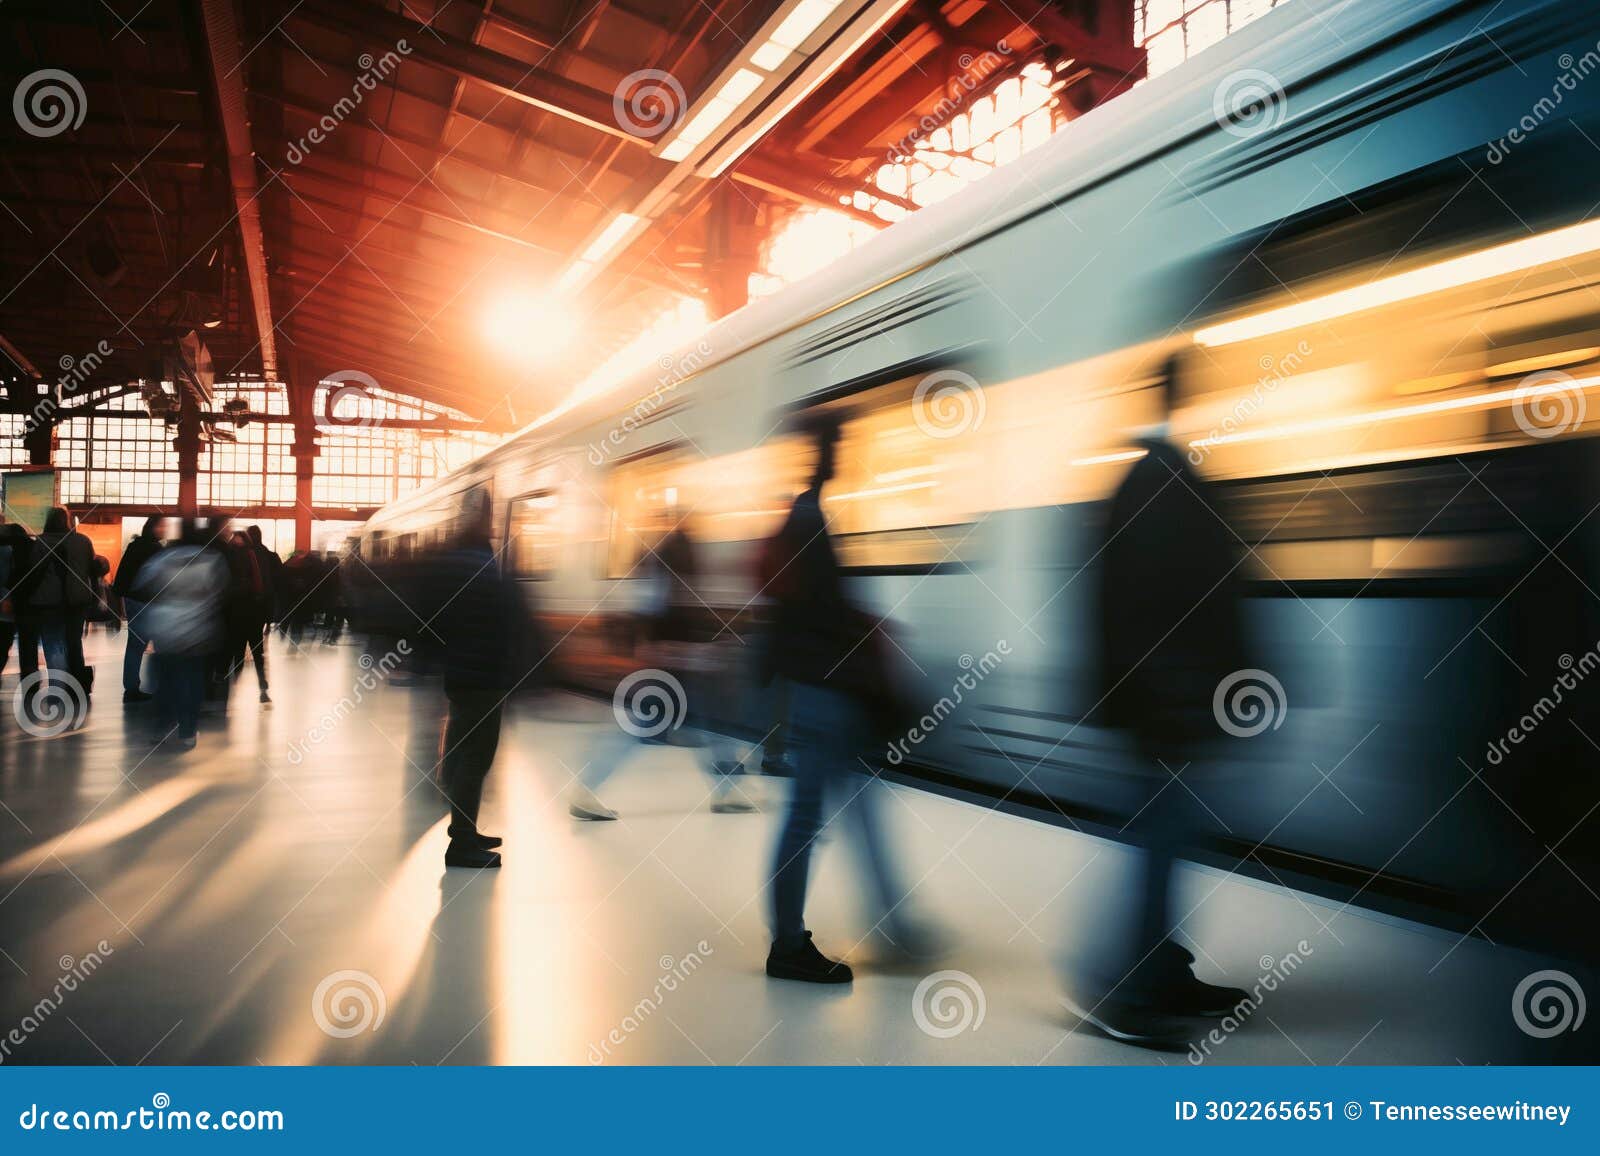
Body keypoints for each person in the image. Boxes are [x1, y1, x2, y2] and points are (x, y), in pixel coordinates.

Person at [1063, 353, 1248, 1046]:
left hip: (1171, 703)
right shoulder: (1157, 480)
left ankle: (1159, 970)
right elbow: (1152, 605)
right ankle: (1121, 994)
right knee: (1154, 842)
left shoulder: (1156, 477)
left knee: (1162, 843)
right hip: (1164, 708)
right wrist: (1171, 695)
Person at [761, 416, 937, 984]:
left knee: (850, 805)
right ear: (821, 451)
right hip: (824, 693)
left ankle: (896, 925)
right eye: (839, 443)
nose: (845, 454)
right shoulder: (809, 520)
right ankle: (789, 943)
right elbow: (819, 614)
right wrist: (866, 635)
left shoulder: (805, 516)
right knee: (808, 815)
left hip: (821, 689)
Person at [568, 521, 760, 820]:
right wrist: (698, 655)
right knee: (641, 728)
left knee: (704, 729)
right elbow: (662, 632)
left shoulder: (664, 584)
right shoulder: (672, 588)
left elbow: (652, 625)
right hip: (669, 672)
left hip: (673, 670)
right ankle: (585, 790)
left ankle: (727, 791)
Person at [426, 488, 537, 869]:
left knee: (464, 748)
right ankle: (461, 844)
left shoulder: (456, 555)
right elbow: (495, 616)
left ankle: (466, 830)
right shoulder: (478, 560)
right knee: (476, 756)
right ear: (483, 517)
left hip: (462, 672)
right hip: (483, 675)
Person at [131, 520, 229, 751]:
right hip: (195, 629)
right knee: (192, 682)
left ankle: (159, 728)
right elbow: (220, 593)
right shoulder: (210, 560)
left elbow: (142, 586)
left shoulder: (164, 559)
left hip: (164, 627)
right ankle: (187, 732)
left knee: (163, 679)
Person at [22, 508, 96, 699]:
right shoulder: (83, 541)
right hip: (78, 601)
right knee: (73, 642)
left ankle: (58, 686)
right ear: (68, 522)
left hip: (48, 602)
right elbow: (91, 568)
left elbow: (32, 573)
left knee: (54, 644)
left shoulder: (40, 543)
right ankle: (76, 685)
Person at [112, 517, 163, 703]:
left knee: (135, 645)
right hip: (150, 602)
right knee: (160, 643)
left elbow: (122, 576)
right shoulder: (155, 550)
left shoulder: (135, 546)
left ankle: (131, 687)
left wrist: (120, 603)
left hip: (133, 601)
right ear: (154, 528)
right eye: (162, 526)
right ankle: (161, 685)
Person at [226, 530, 272, 705]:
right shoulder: (256, 557)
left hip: (239, 615)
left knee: (238, 653)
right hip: (253, 614)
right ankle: (262, 687)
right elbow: (264, 585)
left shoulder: (229, 559)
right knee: (257, 653)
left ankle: (234, 690)